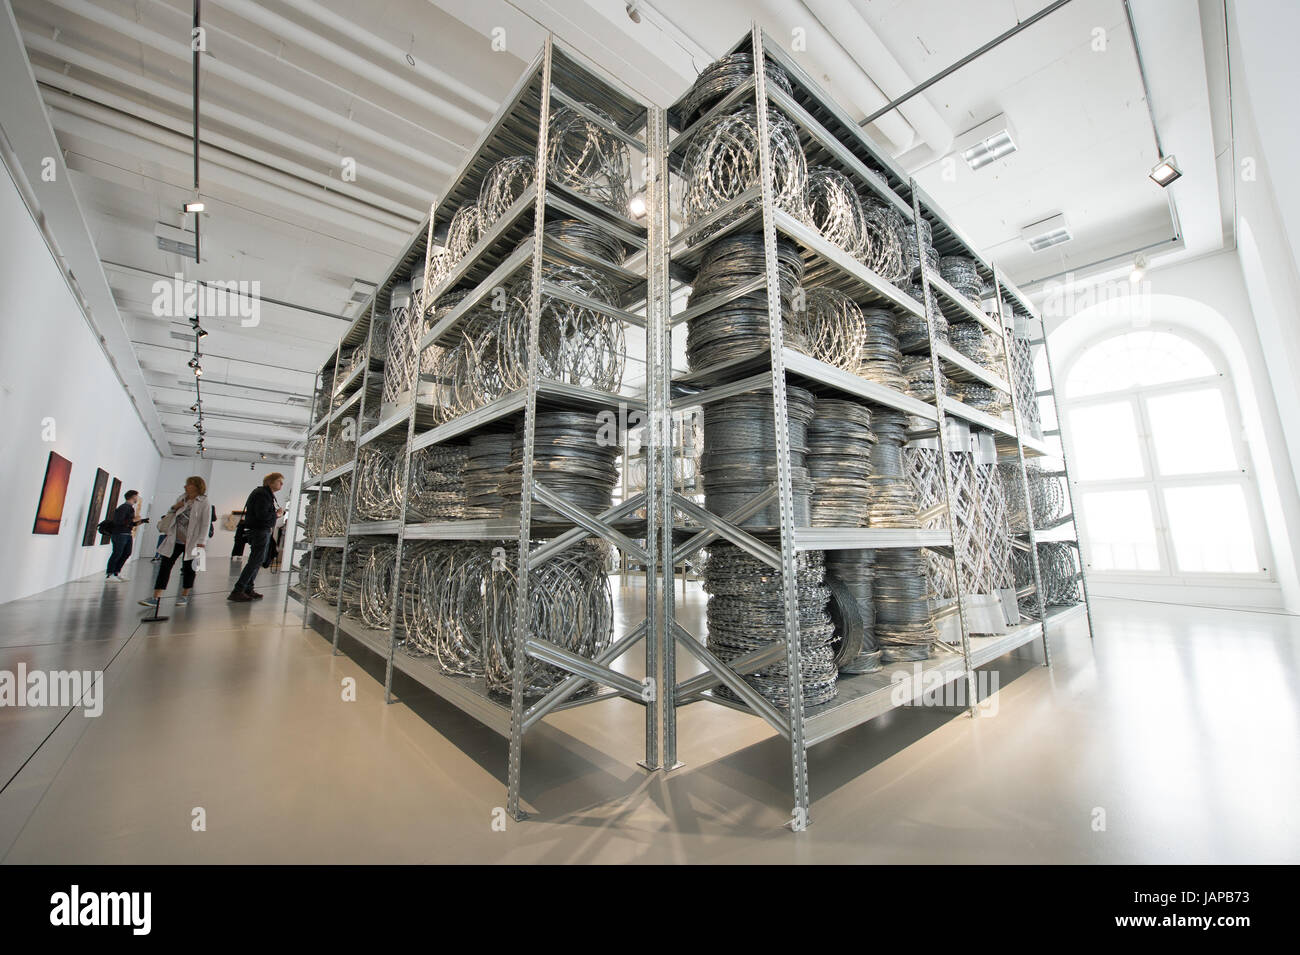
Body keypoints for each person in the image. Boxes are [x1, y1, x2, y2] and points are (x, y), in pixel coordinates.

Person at [139, 476, 211, 610]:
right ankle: (156, 597)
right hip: (175, 539)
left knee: (190, 569)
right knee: (165, 567)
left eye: (188, 484)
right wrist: (175, 507)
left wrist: (202, 541)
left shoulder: (204, 501)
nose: (185, 486)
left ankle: (184, 595)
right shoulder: (181, 498)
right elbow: (170, 514)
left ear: (196, 486)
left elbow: (205, 522)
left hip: (193, 541)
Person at [229, 472, 284, 602]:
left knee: (257, 561)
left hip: (260, 531)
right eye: (279, 481)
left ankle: (248, 588)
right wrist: (277, 515)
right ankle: (238, 589)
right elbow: (262, 515)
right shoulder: (262, 494)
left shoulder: (264, 494)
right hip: (259, 531)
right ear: (271, 482)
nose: (281, 484)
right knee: (255, 561)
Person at [105, 490, 147, 581]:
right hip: (120, 534)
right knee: (117, 553)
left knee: (127, 553)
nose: (137, 498)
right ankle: (109, 574)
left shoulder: (130, 508)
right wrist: (134, 519)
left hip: (127, 534)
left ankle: (116, 572)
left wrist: (142, 521)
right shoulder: (124, 507)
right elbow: (119, 521)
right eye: (136, 496)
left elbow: (131, 523)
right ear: (132, 496)